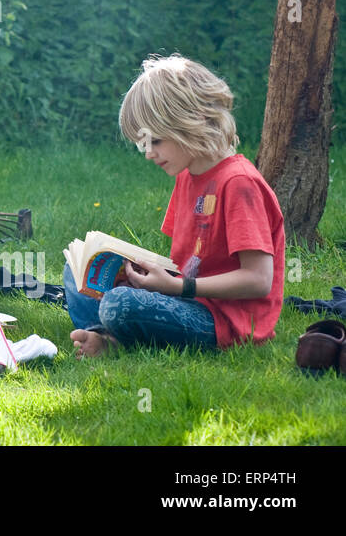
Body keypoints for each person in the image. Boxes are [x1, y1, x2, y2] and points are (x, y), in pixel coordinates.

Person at [67, 56, 285, 359]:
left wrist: (179, 287)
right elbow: (187, 262)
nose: (148, 154)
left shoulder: (238, 182)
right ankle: (101, 336)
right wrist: (142, 274)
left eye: (155, 141)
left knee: (120, 304)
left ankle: (108, 338)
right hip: (186, 297)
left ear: (189, 123)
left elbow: (259, 280)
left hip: (223, 321)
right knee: (74, 269)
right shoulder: (187, 175)